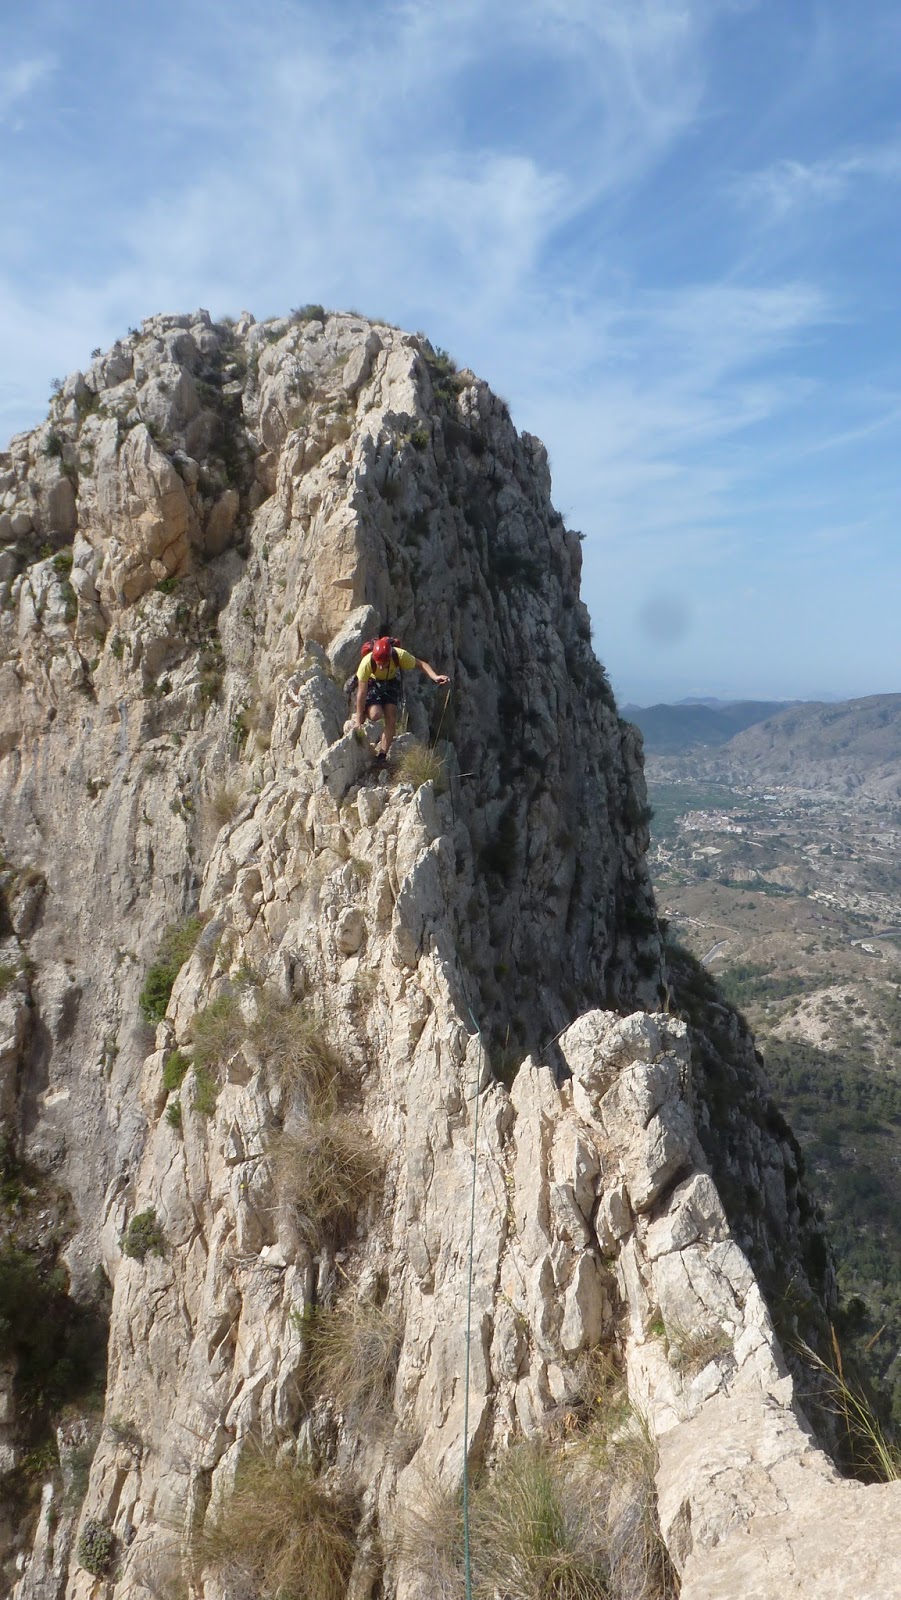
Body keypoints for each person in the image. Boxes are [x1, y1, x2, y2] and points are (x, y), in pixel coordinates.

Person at [355, 636, 449, 762]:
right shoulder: (367, 663)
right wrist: (358, 719)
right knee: (376, 715)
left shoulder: (399, 655)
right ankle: (368, 710)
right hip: (373, 683)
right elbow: (361, 692)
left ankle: (382, 755)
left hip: (390, 683)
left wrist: (435, 677)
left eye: (384, 664)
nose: (381, 667)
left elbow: (420, 664)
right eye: (379, 664)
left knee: (391, 717)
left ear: (389, 659)